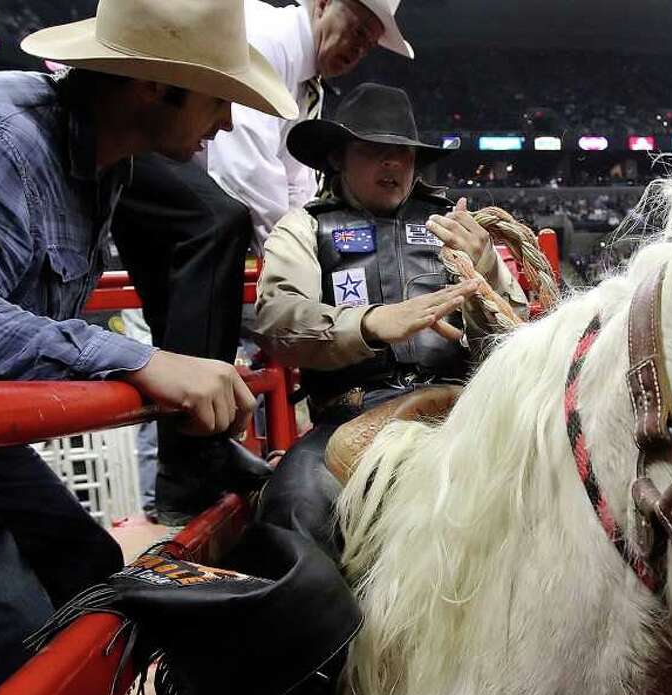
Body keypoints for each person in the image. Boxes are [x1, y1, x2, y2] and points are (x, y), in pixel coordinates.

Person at [0, 0, 295, 695]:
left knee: (85, 569)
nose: (227, 124)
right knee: (0, 629)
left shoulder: (104, 162)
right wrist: (136, 361)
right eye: (217, 98)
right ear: (153, 88)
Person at [112, 0, 414, 524]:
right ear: (322, 5)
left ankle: (194, 462)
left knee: (184, 303)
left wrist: (304, 250)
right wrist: (301, 257)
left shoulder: (307, 85)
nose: (359, 45)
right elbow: (244, 171)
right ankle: (189, 469)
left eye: (369, 40)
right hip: (128, 123)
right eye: (357, 28)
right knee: (216, 224)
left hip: (158, 156)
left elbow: (292, 180)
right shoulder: (267, 38)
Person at [225, 83, 527, 570]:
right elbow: (279, 320)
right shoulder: (303, 227)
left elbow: (517, 334)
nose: (392, 164)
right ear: (339, 158)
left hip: (466, 405)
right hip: (350, 417)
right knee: (293, 506)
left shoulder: (455, 227)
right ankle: (326, 644)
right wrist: (369, 325)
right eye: (374, 151)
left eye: (402, 154)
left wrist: (487, 270)